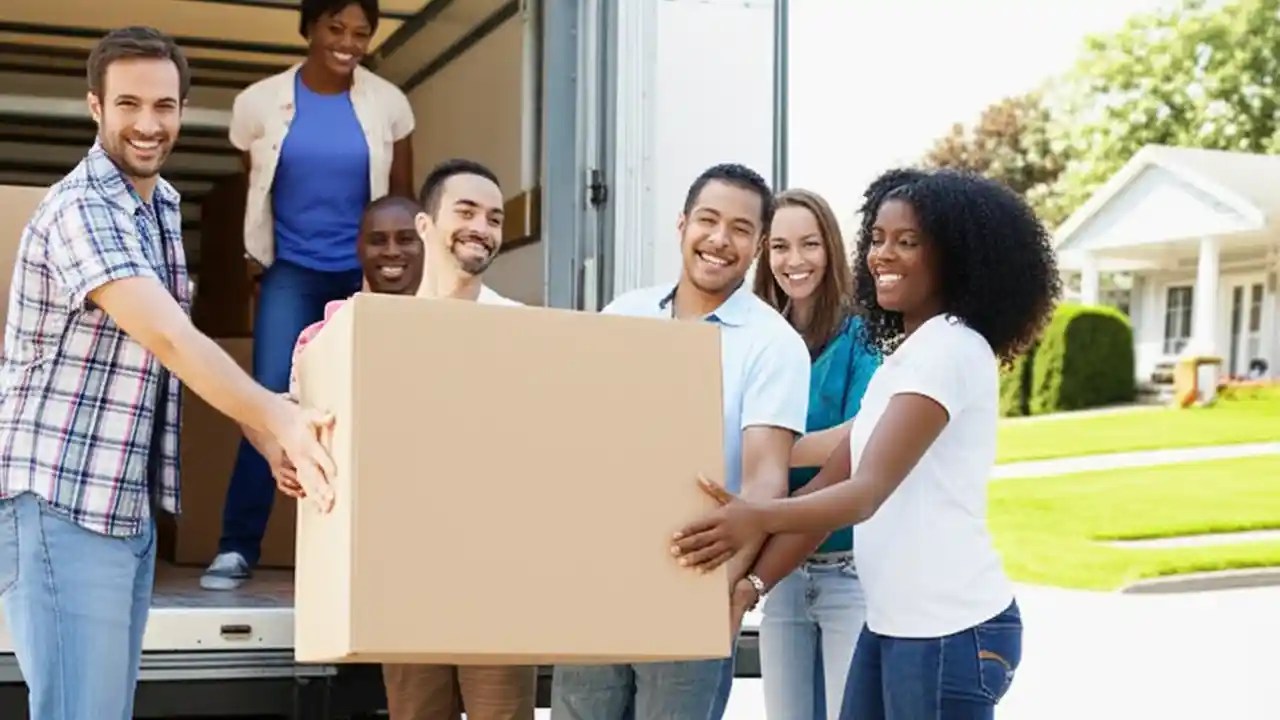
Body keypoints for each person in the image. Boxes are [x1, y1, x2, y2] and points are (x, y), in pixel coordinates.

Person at [0, 27, 336, 720]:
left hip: (120, 505)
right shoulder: (82, 208)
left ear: (183, 108)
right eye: (128, 104)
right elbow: (168, 335)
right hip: (60, 500)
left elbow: (174, 348)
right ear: (95, 107)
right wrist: (280, 418)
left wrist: (265, 434)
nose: (148, 125)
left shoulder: (155, 204)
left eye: (165, 106)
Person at [670, 167, 1062, 720]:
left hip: (950, 630)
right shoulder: (907, 355)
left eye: (908, 242)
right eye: (877, 239)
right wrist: (751, 586)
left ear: (954, 256)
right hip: (896, 625)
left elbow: (865, 492)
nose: (883, 255)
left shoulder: (949, 350)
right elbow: (833, 478)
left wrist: (754, 514)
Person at [550, 163, 812, 720]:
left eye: (741, 229)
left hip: (694, 580)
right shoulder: (626, 315)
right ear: (681, 225)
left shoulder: (773, 345)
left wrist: (728, 594)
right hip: (600, 578)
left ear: (759, 245)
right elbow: (579, 439)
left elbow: (766, 479)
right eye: (708, 220)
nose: (720, 240)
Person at [204, 0, 418, 590]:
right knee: (269, 398)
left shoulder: (388, 106)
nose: (348, 42)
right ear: (308, 29)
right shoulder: (257, 104)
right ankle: (236, 545)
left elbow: (402, 202)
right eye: (335, 28)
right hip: (293, 270)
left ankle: (378, 546)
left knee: (374, 406)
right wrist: (253, 263)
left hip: (365, 276)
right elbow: (253, 189)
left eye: (361, 32)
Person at [343, 159, 531, 720]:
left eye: (495, 218)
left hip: (498, 574)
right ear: (427, 226)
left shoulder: (523, 331)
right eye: (467, 211)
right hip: (406, 572)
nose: (483, 227)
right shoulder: (370, 329)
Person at [749, 188, 880, 720]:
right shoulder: (761, 337)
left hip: (848, 571)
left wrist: (768, 446)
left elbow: (860, 434)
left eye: (808, 244)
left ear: (830, 249)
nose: (794, 260)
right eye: (779, 246)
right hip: (782, 570)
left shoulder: (859, 335)